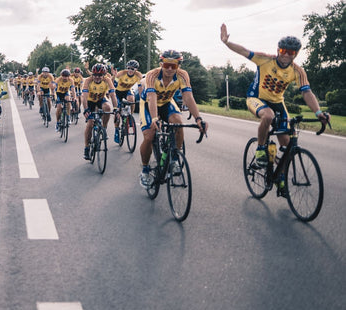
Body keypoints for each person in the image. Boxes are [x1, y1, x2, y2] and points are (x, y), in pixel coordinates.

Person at [219, 24, 329, 173]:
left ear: (295, 54)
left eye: (291, 52)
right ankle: (260, 149)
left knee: (288, 144)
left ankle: (280, 178)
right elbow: (244, 51)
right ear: (278, 50)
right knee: (268, 115)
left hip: (278, 103)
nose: (286, 55)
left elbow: (307, 92)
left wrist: (318, 112)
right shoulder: (265, 59)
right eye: (283, 51)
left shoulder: (298, 71)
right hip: (256, 98)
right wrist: (226, 42)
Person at [137, 50, 207, 188]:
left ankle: (174, 158)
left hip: (167, 103)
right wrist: (154, 118)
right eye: (166, 65)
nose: (169, 69)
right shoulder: (152, 75)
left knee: (178, 123)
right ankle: (145, 170)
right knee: (149, 136)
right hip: (148, 105)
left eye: (173, 66)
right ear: (161, 64)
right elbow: (151, 97)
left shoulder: (182, 75)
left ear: (178, 66)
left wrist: (198, 118)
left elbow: (188, 97)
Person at [80, 63, 118, 160]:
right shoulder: (88, 80)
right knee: (90, 123)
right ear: (92, 74)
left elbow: (113, 95)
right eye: (95, 75)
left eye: (100, 75)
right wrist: (86, 109)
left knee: (107, 108)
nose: (97, 77)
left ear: (104, 75)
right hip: (90, 101)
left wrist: (116, 109)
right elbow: (84, 97)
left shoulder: (107, 80)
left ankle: (104, 128)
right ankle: (86, 147)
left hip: (101, 99)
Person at [113, 60, 143, 143]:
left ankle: (130, 116)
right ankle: (116, 131)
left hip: (127, 91)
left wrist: (142, 99)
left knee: (132, 99)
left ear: (136, 69)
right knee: (118, 112)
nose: (130, 70)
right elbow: (113, 86)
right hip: (118, 92)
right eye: (128, 68)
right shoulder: (121, 74)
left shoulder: (138, 75)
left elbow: (140, 88)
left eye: (132, 69)